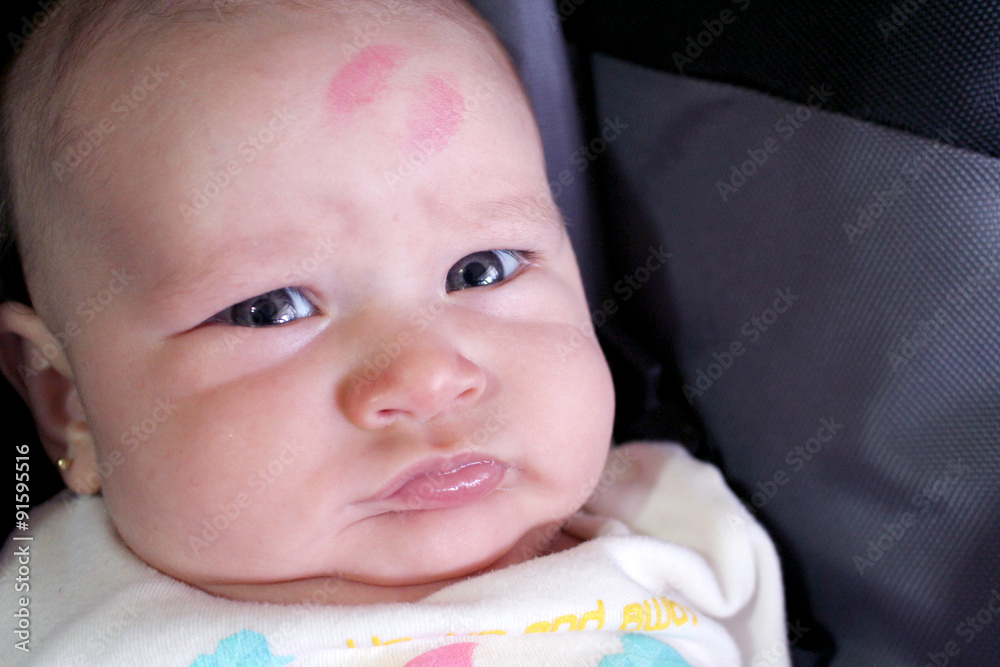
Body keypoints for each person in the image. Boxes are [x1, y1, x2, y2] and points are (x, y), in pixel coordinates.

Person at [0, 1, 788, 664]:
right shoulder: (50, 611)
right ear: (69, 401)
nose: (426, 375)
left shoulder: (678, 526)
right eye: (269, 309)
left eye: (481, 268)